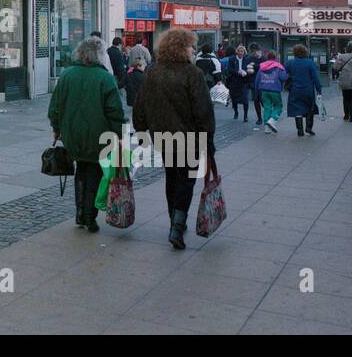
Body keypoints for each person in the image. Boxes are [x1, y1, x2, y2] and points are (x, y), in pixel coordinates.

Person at [132, 28, 215, 250]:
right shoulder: (192, 74)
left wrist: (141, 133)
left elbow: (140, 106)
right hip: (189, 137)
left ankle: (173, 220)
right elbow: (203, 111)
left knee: (172, 177)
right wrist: (208, 139)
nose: (193, 50)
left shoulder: (152, 72)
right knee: (186, 180)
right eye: (190, 46)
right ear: (183, 48)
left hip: (162, 136)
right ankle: (177, 225)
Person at [47, 37, 125, 233]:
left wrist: (57, 128)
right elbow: (115, 111)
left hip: (72, 134)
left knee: (81, 170)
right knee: (96, 173)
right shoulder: (104, 78)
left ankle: (81, 212)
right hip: (99, 135)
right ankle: (90, 216)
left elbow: (54, 107)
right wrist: (120, 134)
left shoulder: (67, 75)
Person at [285, 44, 322, 137]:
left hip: (295, 90)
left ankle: (300, 130)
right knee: (310, 108)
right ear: (305, 52)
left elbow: (285, 75)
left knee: (297, 109)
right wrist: (319, 89)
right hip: (308, 90)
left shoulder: (290, 62)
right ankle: (309, 128)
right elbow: (315, 77)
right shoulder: (310, 62)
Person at [255, 50, 288, 133]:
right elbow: (283, 78)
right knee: (278, 106)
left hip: (264, 90)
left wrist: (256, 89)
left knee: (267, 107)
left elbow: (257, 79)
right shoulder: (278, 66)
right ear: (276, 57)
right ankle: (272, 120)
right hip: (275, 90)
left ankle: (267, 128)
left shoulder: (262, 66)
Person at [225, 45, 255, 122]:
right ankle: (236, 112)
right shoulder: (232, 59)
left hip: (244, 82)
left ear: (244, 52)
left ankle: (245, 116)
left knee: (245, 99)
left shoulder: (247, 59)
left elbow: (250, 69)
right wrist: (237, 72)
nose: (240, 53)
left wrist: (246, 73)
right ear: (237, 51)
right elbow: (229, 69)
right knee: (234, 99)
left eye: (242, 51)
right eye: (239, 51)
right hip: (234, 82)